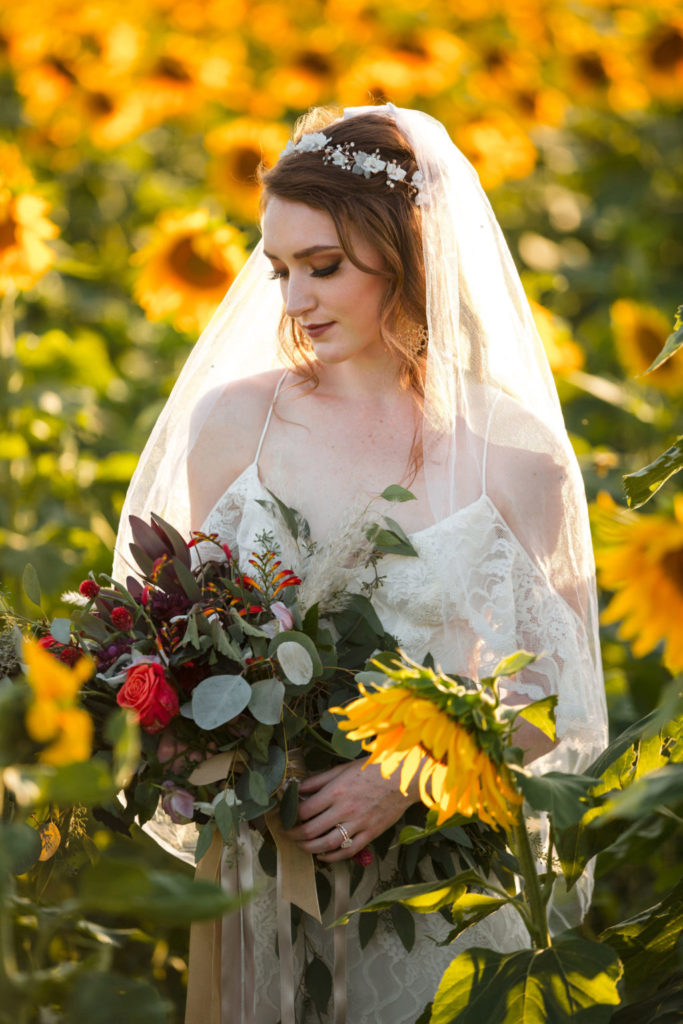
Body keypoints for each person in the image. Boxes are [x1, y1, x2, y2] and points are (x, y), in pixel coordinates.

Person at [114, 104, 608, 1024]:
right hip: (262, 872)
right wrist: (199, 744)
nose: (292, 300)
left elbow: (553, 704)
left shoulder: (513, 453)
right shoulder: (235, 422)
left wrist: (403, 772)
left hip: (437, 892)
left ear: (409, 253)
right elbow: (161, 637)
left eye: (323, 267)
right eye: (280, 269)